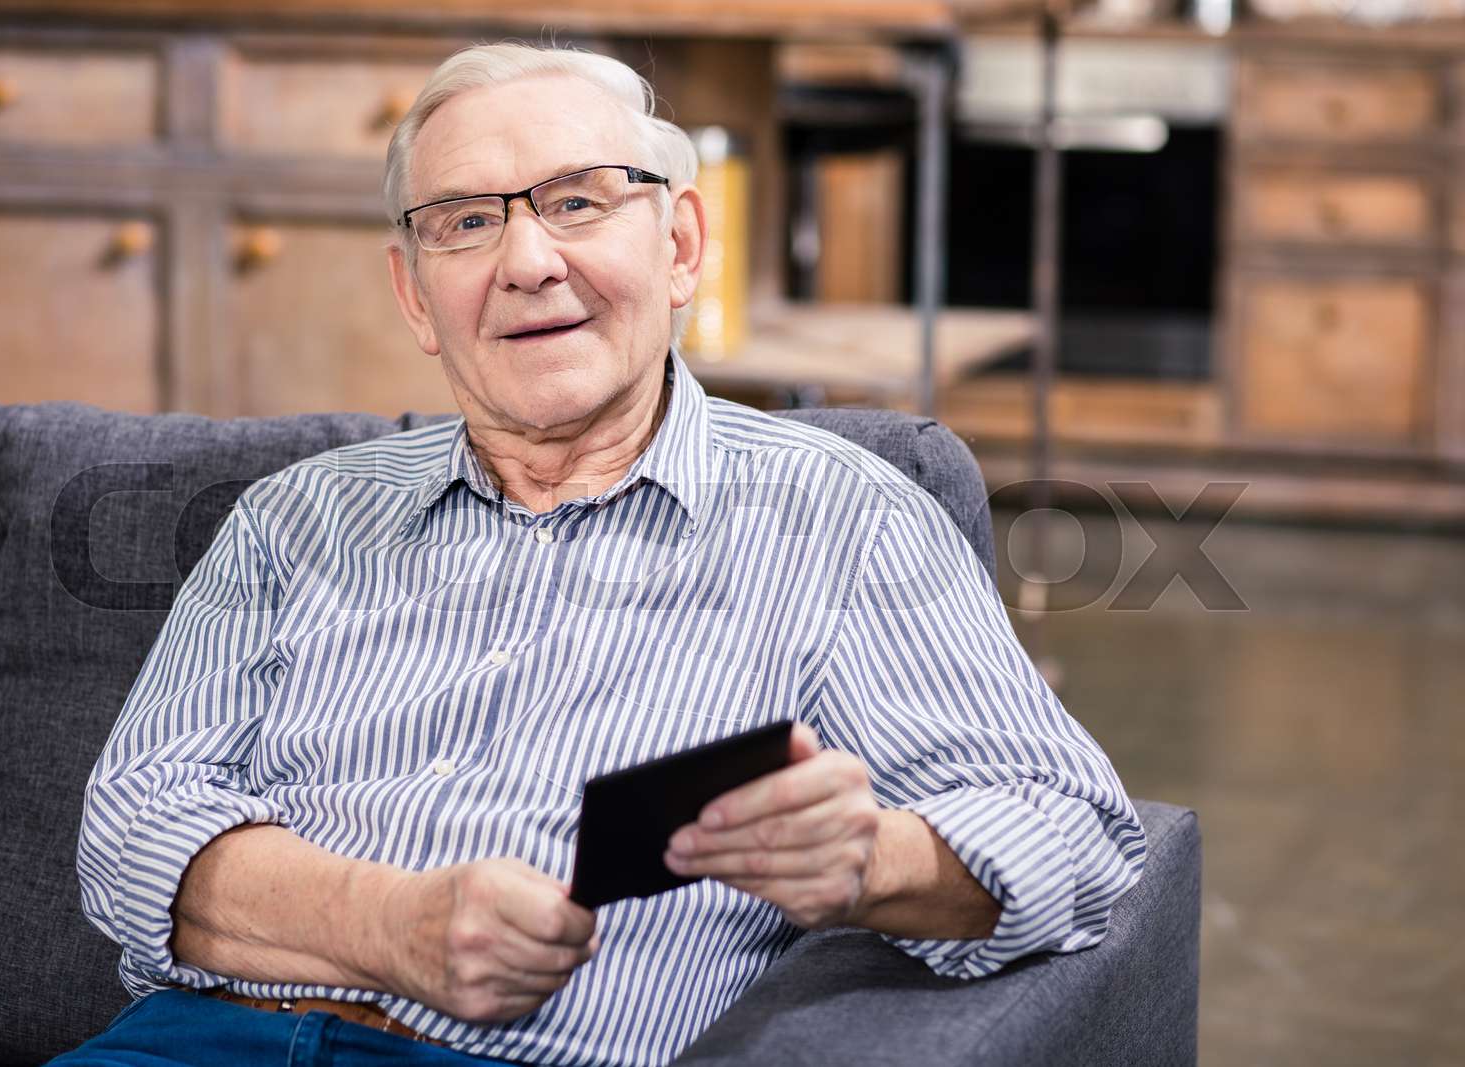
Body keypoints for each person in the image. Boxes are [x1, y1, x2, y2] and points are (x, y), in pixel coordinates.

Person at [55, 41, 1145, 1067]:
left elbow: (1077, 837)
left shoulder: (843, 517)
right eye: (467, 222)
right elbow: (133, 822)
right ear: (414, 295)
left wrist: (872, 858)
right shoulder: (293, 517)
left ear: (678, 249)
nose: (528, 260)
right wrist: (390, 925)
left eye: (578, 201)